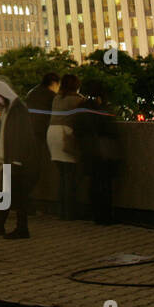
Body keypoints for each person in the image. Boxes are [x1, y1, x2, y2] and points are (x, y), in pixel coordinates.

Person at [0, 80, 44, 238]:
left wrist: (16, 159)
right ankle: (3, 226)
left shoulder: (17, 109)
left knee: (16, 196)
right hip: (12, 158)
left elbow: (21, 135)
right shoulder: (10, 108)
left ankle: (19, 228)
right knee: (11, 194)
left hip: (17, 159)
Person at [74, 80, 121, 225]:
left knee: (94, 183)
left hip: (87, 150)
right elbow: (111, 131)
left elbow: (77, 130)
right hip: (103, 151)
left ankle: (96, 215)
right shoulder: (103, 110)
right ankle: (105, 216)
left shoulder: (80, 109)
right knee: (105, 185)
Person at [46, 74, 83, 220]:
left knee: (62, 175)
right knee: (70, 176)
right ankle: (70, 212)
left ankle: (61, 210)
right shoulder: (77, 100)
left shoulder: (57, 98)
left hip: (52, 133)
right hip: (65, 134)